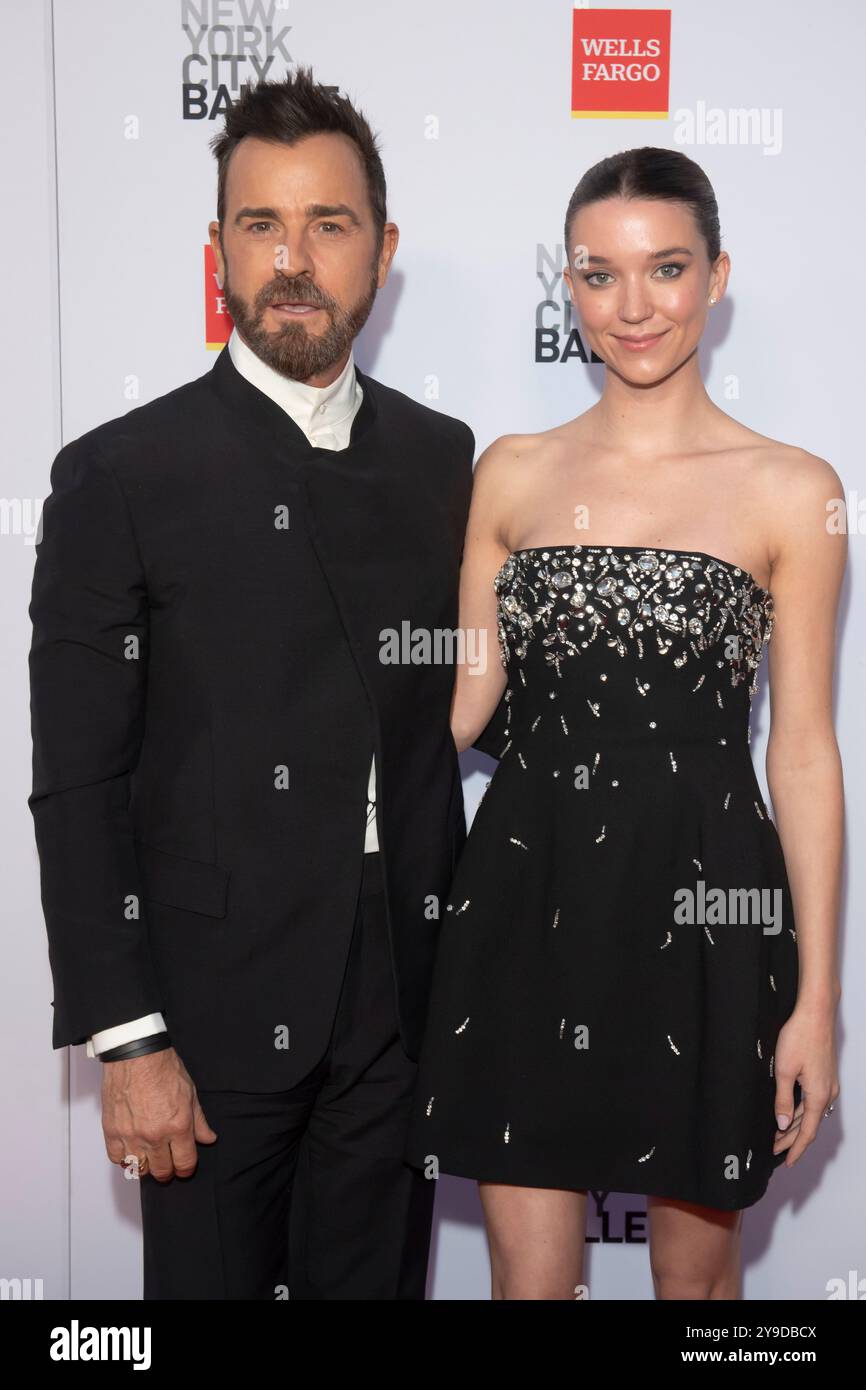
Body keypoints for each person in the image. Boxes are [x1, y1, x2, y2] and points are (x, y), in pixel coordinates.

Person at [28, 69, 474, 1300]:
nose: (293, 259)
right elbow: (77, 781)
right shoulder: (120, 472)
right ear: (217, 249)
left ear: (379, 253)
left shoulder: (442, 461)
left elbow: (453, 724)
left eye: (327, 226)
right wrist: (128, 1041)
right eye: (261, 225)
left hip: (396, 1003)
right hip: (206, 1019)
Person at [404, 147, 844, 1300]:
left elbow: (799, 750)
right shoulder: (508, 473)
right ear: (567, 285)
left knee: (696, 1295)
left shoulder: (793, 490)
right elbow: (458, 709)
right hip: (521, 900)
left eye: (665, 269)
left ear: (716, 276)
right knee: (526, 1286)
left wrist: (816, 1002)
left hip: (706, 909)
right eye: (599, 276)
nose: (633, 306)